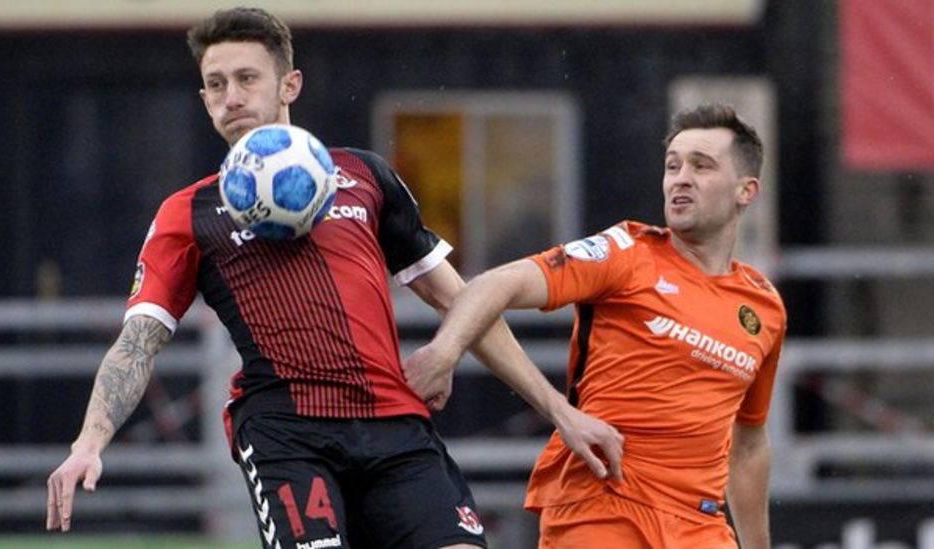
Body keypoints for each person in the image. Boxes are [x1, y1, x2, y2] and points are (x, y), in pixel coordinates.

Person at [44, 7, 620, 548]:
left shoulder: (364, 177)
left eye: (247, 78)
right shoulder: (188, 213)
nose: (231, 98)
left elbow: (461, 299)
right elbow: (138, 342)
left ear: (289, 85)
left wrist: (558, 410)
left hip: (395, 426)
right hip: (288, 437)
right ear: (203, 98)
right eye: (216, 85)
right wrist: (88, 443)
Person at [404, 103, 787, 549]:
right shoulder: (626, 252)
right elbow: (496, 284)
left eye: (702, 166)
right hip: (603, 504)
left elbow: (750, 444)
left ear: (747, 191)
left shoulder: (763, 308)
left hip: (698, 526)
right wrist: (445, 352)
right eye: (672, 165)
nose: (681, 177)